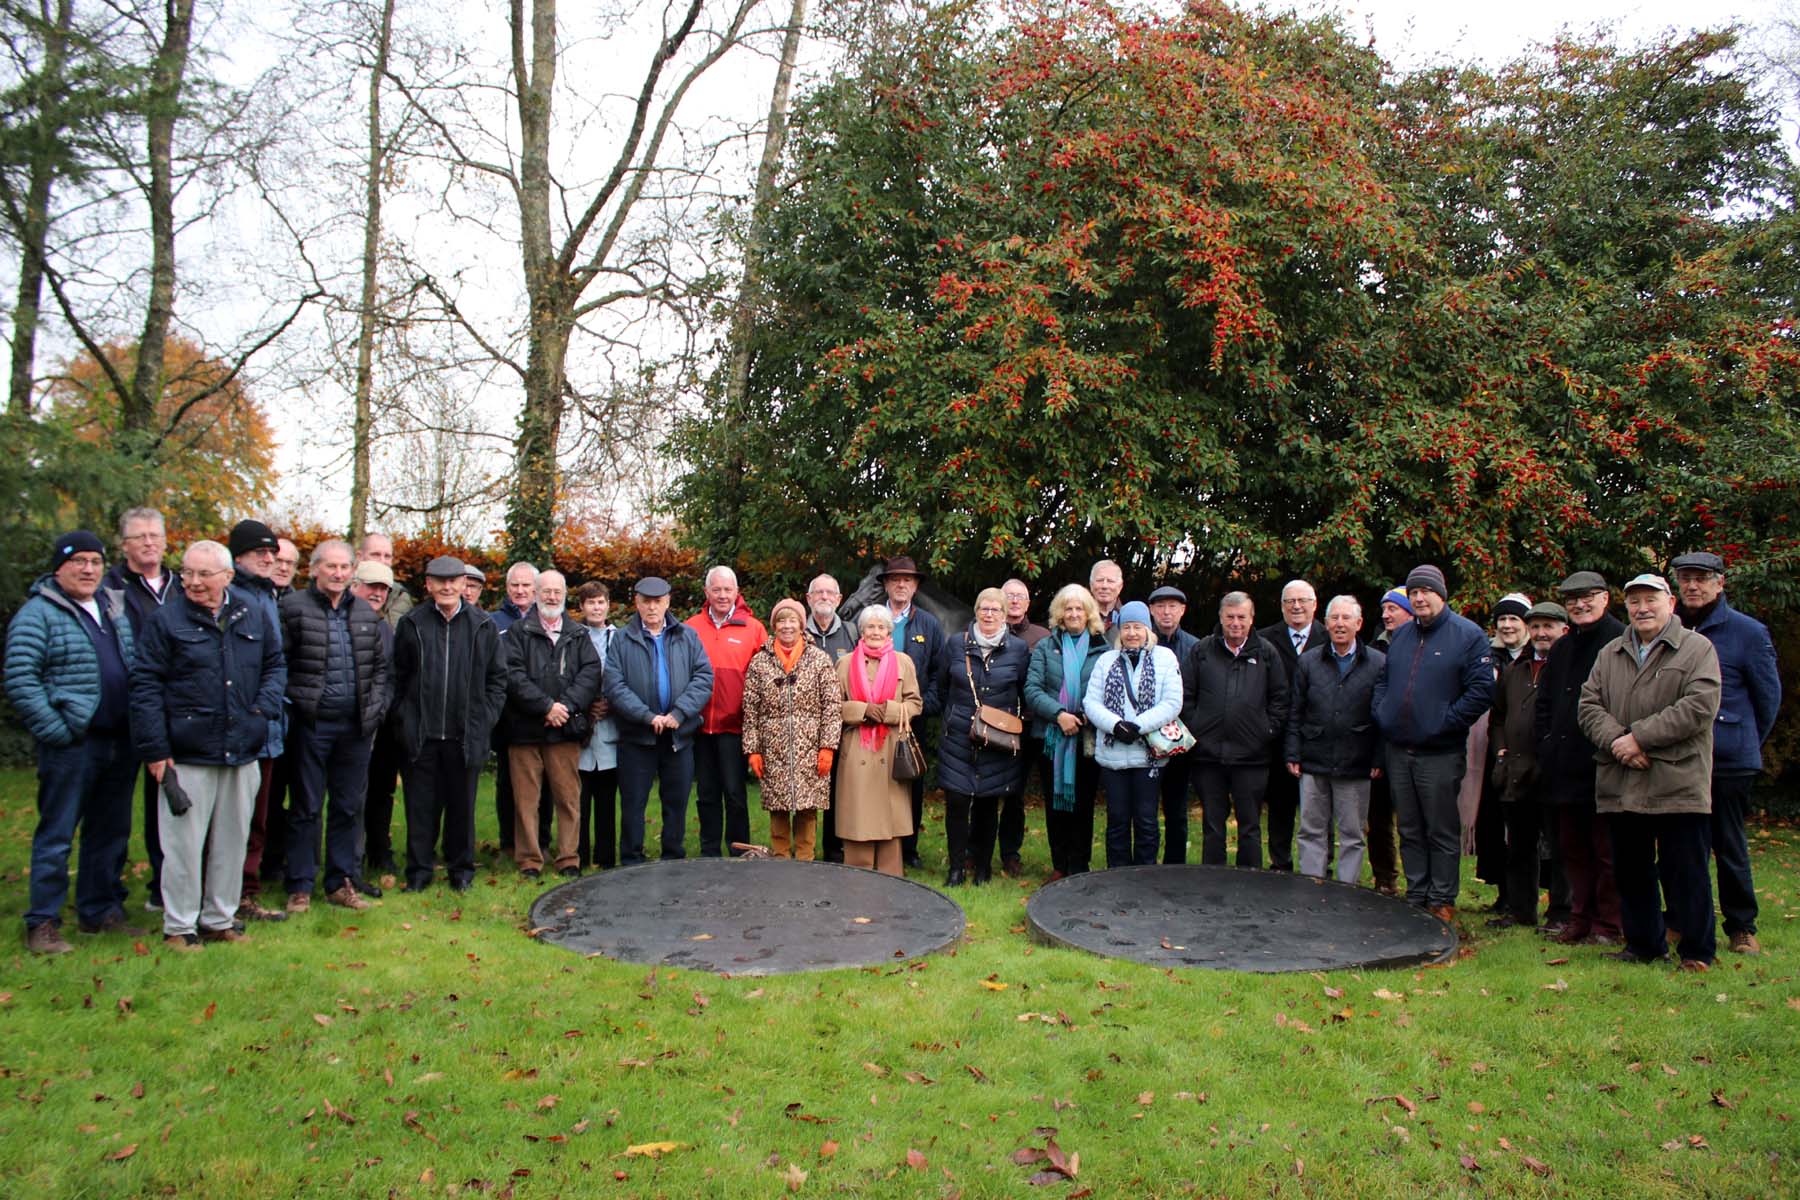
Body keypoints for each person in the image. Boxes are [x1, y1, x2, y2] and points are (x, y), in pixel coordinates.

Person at [130, 539, 286, 949]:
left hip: (242, 749)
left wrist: (261, 714)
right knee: (182, 846)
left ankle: (220, 919)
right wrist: (155, 750)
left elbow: (274, 665)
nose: (193, 582)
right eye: (187, 573)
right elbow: (144, 685)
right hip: (188, 754)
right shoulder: (166, 620)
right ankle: (179, 927)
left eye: (203, 574)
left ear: (227, 576)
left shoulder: (252, 614)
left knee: (232, 842)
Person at [1578, 573, 1722, 970]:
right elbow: (1588, 706)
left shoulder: (1697, 649)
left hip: (1676, 779)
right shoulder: (1610, 653)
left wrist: (1640, 739)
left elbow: (1698, 707)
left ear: (1670, 603)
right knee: (1630, 870)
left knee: (1685, 872)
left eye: (1650, 600)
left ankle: (1696, 952)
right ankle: (1643, 945)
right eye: (1635, 601)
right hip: (1621, 779)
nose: (1642, 608)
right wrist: (1620, 743)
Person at [8, 532, 141, 953]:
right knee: (58, 833)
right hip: (73, 744)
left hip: (119, 741)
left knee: (110, 832)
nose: (88, 569)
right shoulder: (38, 613)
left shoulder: (111, 608)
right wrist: (57, 729)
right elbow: (20, 677)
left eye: (95, 562)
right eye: (78, 561)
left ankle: (98, 911)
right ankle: (42, 923)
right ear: (59, 567)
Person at [1670, 551, 1780, 955]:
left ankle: (1741, 926)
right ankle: (1682, 920)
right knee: (1683, 846)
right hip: (1680, 758)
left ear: (1720, 583)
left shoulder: (1747, 633)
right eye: (1686, 579)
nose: (1693, 586)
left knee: (1729, 845)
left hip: (1728, 759)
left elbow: (1768, 700)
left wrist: (1740, 737)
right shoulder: (1672, 629)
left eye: (1701, 578)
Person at [1371, 565, 1495, 922]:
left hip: (1439, 751)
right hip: (1399, 748)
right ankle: (1417, 892)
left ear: (1442, 594)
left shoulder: (1468, 635)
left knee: (1440, 827)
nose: (1419, 598)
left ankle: (1441, 898)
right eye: (1413, 592)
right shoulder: (1403, 635)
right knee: (1408, 826)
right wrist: (1383, 713)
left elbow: (1481, 691)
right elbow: (1385, 680)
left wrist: (1444, 723)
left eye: (1426, 591)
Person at [278, 539, 391, 912]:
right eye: (331, 567)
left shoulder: (364, 613)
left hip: (355, 728)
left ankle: (340, 882)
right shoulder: (293, 608)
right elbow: (279, 663)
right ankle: (299, 884)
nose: (339, 574)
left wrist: (373, 712)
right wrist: (297, 706)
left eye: (345, 568)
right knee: (306, 806)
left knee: (347, 807)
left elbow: (381, 670)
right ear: (314, 569)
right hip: (312, 725)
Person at [391, 556, 508, 893]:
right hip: (422, 734)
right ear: (427, 584)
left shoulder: (483, 626)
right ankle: (418, 873)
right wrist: (404, 717)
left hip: (464, 735)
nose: (446, 586)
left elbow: (497, 680)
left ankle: (461, 872)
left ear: (464, 584)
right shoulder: (412, 623)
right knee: (420, 808)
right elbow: (398, 676)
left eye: (453, 580)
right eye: (439, 580)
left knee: (461, 809)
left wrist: (484, 719)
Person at [1535, 571, 1626, 945]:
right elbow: (1545, 703)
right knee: (1572, 851)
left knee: (1607, 853)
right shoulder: (1563, 647)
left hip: (1604, 763)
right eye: (1572, 600)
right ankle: (1580, 917)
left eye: (1587, 597)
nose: (1579, 605)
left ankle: (1610, 924)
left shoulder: (1621, 640)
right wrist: (1545, 743)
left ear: (1605, 598)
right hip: (1563, 766)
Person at [604, 577, 714, 864]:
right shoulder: (622, 639)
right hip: (637, 737)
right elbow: (615, 685)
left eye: (658, 601)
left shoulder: (687, 636)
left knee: (676, 803)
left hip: (679, 737)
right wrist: (646, 716)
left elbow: (703, 678)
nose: (652, 607)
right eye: (646, 601)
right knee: (633, 803)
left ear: (667, 602)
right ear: (637, 603)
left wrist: (679, 714)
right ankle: (631, 859)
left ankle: (673, 856)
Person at [503, 569, 601, 879]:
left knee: (568, 799)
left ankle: (568, 858)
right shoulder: (517, 633)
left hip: (565, 732)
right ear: (534, 593)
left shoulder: (578, 635)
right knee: (526, 801)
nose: (552, 596)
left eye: (557, 591)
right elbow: (512, 675)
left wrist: (566, 707)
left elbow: (590, 673)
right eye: (546, 591)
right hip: (524, 732)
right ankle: (530, 861)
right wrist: (545, 706)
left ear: (565, 595)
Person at [102, 507, 175, 913]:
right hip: (121, 713)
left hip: (169, 713)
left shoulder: (180, 586)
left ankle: (163, 888)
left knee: (165, 805)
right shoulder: (109, 588)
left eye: (155, 535)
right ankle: (106, 895)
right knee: (112, 811)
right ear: (124, 544)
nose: (149, 543)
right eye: (140, 536)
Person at [1182, 592, 1287, 868]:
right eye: (1230, 617)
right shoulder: (1202, 651)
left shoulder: (1266, 653)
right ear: (1221, 617)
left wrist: (1265, 731)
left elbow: (1280, 698)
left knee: (1250, 825)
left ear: (1252, 619)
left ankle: (1250, 879)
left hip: (1252, 757)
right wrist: (1197, 731)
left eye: (1242, 617)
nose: (1236, 623)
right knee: (1213, 825)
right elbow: (1186, 695)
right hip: (1208, 756)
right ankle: (1214, 880)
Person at [1285, 595, 1384, 883]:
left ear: (1359, 623)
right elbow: (1295, 711)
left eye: (1346, 618)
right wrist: (1293, 752)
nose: (1340, 624)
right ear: (1325, 623)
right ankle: (1311, 885)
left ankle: (1346, 889)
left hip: (1357, 759)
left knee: (1352, 833)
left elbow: (1382, 718)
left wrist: (1378, 758)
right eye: (1334, 618)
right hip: (1314, 758)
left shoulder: (1377, 663)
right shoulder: (1309, 661)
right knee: (1311, 829)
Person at [937, 587, 1031, 884]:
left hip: (997, 739)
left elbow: (1024, 691)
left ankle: (982, 867)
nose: (989, 614)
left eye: (996, 610)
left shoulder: (1017, 649)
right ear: (975, 611)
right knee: (957, 802)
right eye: (984, 608)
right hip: (959, 737)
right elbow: (941, 686)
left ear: (1005, 615)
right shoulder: (955, 644)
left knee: (989, 803)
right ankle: (955, 867)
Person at [1486, 601, 1568, 929]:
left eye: (1548, 626)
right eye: (1535, 627)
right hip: (1515, 769)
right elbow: (1498, 716)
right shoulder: (1515, 669)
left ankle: (1562, 913)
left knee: (1559, 845)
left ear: (1564, 629)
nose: (1541, 633)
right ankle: (1520, 910)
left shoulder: (1566, 666)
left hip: (1551, 768)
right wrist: (1500, 750)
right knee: (1519, 843)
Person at [1084, 601, 1183, 867]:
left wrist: (1138, 725)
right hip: (1113, 754)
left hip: (1148, 754)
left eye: (1138, 627)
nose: (1132, 633)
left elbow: (1172, 702)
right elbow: (1091, 702)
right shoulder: (1106, 660)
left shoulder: (1165, 658)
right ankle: (1117, 874)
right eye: (1126, 627)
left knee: (1146, 818)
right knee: (1117, 819)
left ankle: (1144, 874)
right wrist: (1116, 725)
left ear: (1148, 630)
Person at [742, 598, 841, 860]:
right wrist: (753, 750)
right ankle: (780, 858)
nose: (787, 626)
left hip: (810, 747)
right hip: (772, 748)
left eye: (792, 620)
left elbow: (831, 706)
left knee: (808, 808)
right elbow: (750, 710)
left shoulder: (819, 659)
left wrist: (827, 747)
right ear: (774, 625)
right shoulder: (759, 662)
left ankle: (806, 859)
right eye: (781, 621)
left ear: (801, 624)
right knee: (778, 808)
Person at [227, 519, 290, 924]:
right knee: (230, 819)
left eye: (272, 552)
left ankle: (245, 893)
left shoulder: (269, 596)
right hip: (236, 728)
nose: (268, 558)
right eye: (258, 553)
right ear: (237, 557)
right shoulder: (229, 596)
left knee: (258, 817)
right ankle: (223, 896)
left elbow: (275, 662)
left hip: (267, 726)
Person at [1024, 584, 1108, 880]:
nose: (1073, 614)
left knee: (1083, 804)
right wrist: (1059, 715)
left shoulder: (1103, 648)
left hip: (1087, 737)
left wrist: (1083, 716)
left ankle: (1080, 865)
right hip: (1050, 737)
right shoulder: (1046, 647)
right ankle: (1059, 865)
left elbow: (1108, 691)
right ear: (1060, 613)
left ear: (1089, 614)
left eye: (1079, 609)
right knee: (1055, 802)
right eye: (1068, 608)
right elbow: (1032, 689)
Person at [834, 605, 924, 875]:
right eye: (870, 627)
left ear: (889, 631)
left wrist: (888, 711)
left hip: (890, 749)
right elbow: (832, 706)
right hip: (856, 748)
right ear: (862, 631)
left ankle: (890, 875)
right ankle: (856, 874)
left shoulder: (903, 662)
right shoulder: (846, 663)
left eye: (881, 627)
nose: (875, 631)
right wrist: (861, 710)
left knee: (890, 821)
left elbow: (915, 704)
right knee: (857, 817)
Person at [685, 566, 767, 857]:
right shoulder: (690, 627)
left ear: (737, 592)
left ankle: (739, 848)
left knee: (734, 792)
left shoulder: (754, 628)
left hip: (735, 726)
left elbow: (763, 680)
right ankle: (709, 850)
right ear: (706, 592)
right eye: (716, 589)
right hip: (699, 725)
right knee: (706, 792)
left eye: (727, 590)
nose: (722, 595)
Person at [879, 556, 945, 870]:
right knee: (878, 783)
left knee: (911, 782)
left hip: (911, 719)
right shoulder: (873, 618)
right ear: (886, 584)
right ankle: (877, 840)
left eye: (908, 579)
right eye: (895, 579)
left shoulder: (929, 624)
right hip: (876, 717)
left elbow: (937, 672)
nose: (901, 584)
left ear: (916, 586)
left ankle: (910, 849)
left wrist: (922, 708)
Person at [1259, 579, 1323, 873]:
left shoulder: (1329, 636)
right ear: (1281, 606)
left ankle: (1321, 867)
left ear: (1314, 604)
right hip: (1278, 737)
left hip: (1319, 736)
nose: (1296, 606)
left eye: (1303, 600)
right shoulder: (1264, 639)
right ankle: (1280, 862)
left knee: (1319, 808)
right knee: (1280, 806)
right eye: (1289, 601)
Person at [1475, 592, 1534, 908]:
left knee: (1525, 828)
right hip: (1495, 751)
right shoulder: (1486, 656)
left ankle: (1529, 894)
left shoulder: (1537, 657)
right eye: (1502, 619)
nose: (1508, 625)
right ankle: (1503, 892)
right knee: (1495, 823)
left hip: (1529, 753)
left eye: (1514, 619)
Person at [351, 560, 403, 876]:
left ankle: (378, 852)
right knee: (350, 796)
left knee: (381, 792)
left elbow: (391, 676)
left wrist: (380, 711)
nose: (378, 593)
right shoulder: (339, 621)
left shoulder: (385, 629)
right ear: (355, 585)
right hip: (346, 725)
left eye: (383, 588)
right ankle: (349, 861)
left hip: (381, 725)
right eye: (372, 586)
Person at [998, 578, 1050, 876]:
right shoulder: (987, 630)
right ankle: (975, 850)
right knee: (993, 790)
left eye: (1020, 597)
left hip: (1032, 725)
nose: (1015, 601)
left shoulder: (1042, 636)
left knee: (1017, 795)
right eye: (1009, 596)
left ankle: (1010, 853)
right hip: (997, 723)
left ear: (1028, 603)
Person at [490, 560, 542, 855]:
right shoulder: (493, 623)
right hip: (507, 718)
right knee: (507, 784)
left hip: (543, 716)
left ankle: (541, 840)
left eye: (526, 586)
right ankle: (510, 842)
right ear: (507, 588)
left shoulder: (549, 620)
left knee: (543, 788)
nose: (520, 591)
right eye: (515, 585)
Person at [802, 573, 855, 862]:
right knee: (806, 790)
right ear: (808, 599)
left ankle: (834, 849)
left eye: (829, 593)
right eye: (817, 592)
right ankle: (803, 849)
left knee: (837, 789)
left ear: (839, 599)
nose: (824, 597)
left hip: (842, 726)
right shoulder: (795, 631)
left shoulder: (851, 633)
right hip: (804, 727)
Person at [1146, 585, 1197, 863]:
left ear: (1182, 610)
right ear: (1152, 610)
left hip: (1180, 740)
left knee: (1177, 807)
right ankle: (1147, 862)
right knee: (1146, 807)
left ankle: (1175, 863)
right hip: (1145, 740)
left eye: (1173, 606)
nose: (1167, 612)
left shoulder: (1196, 647)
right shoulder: (1142, 644)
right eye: (1161, 606)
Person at [1364, 587, 1410, 894]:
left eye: (1393, 608)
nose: (1385, 614)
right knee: (1377, 819)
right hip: (1378, 741)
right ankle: (1385, 878)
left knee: (1411, 820)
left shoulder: (1423, 644)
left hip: (1413, 743)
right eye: (1384, 609)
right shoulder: (1375, 647)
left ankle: (1420, 884)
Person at [574, 582, 620, 871]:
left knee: (606, 798)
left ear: (608, 605)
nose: (596, 608)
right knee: (578, 799)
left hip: (610, 729)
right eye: (590, 603)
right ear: (581, 606)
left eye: (601, 602)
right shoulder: (574, 636)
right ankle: (577, 854)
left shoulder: (620, 637)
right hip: (580, 727)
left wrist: (610, 704)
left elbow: (626, 676)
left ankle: (605, 858)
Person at [358, 532, 414, 625]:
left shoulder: (399, 595)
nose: (382, 561)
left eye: (387, 556)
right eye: (375, 555)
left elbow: (394, 635)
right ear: (359, 557)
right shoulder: (341, 590)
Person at [1089, 559, 1124, 630]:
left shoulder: (1127, 616)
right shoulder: (1079, 615)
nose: (1104, 586)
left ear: (1120, 587)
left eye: (1110, 581)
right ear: (1091, 585)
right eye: (1100, 580)